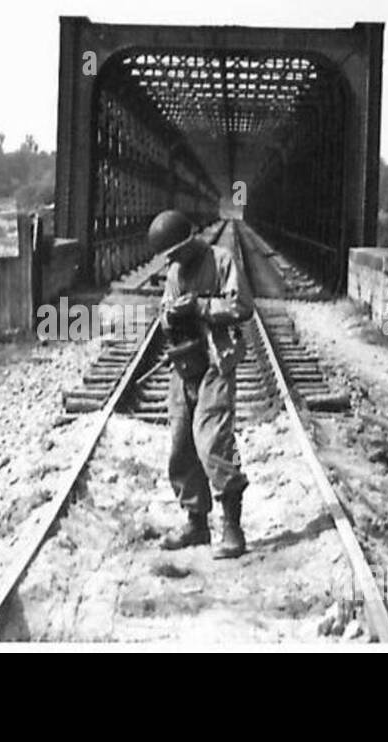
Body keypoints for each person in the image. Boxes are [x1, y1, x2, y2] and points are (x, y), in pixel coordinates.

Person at [148, 210, 254, 559]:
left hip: (215, 360)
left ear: (191, 240)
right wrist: (171, 315)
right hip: (185, 362)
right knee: (181, 443)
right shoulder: (175, 272)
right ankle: (196, 523)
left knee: (212, 441)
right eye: (170, 256)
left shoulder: (221, 261)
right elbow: (164, 313)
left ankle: (232, 527)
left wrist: (201, 306)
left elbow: (242, 305)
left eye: (177, 252)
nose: (174, 260)